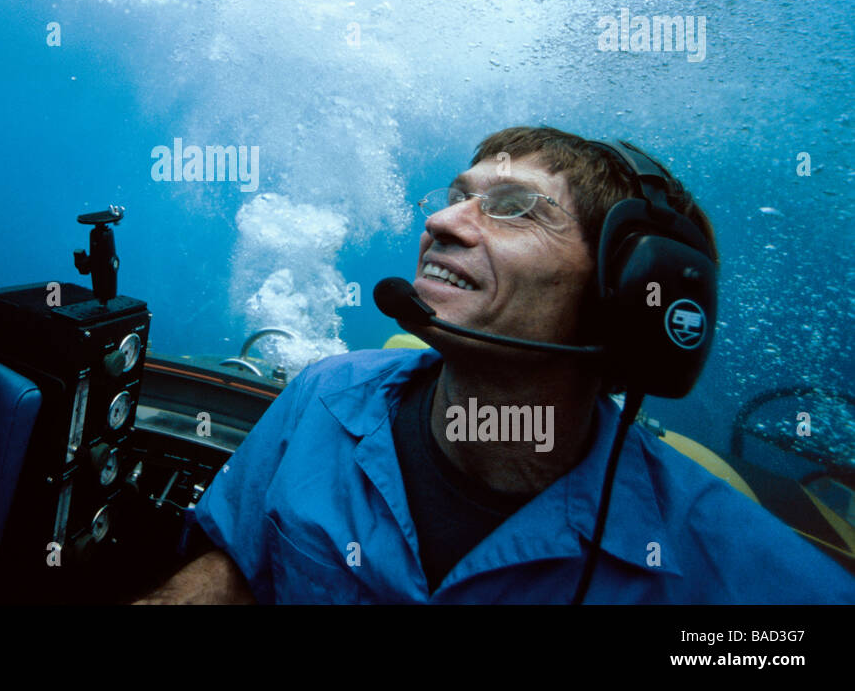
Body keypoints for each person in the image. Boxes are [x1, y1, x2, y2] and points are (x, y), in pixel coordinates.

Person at [139, 126, 855, 603]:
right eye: (456, 198)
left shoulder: (734, 565)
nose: (442, 222)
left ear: (626, 298)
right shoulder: (323, 395)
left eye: (513, 209)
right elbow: (236, 564)